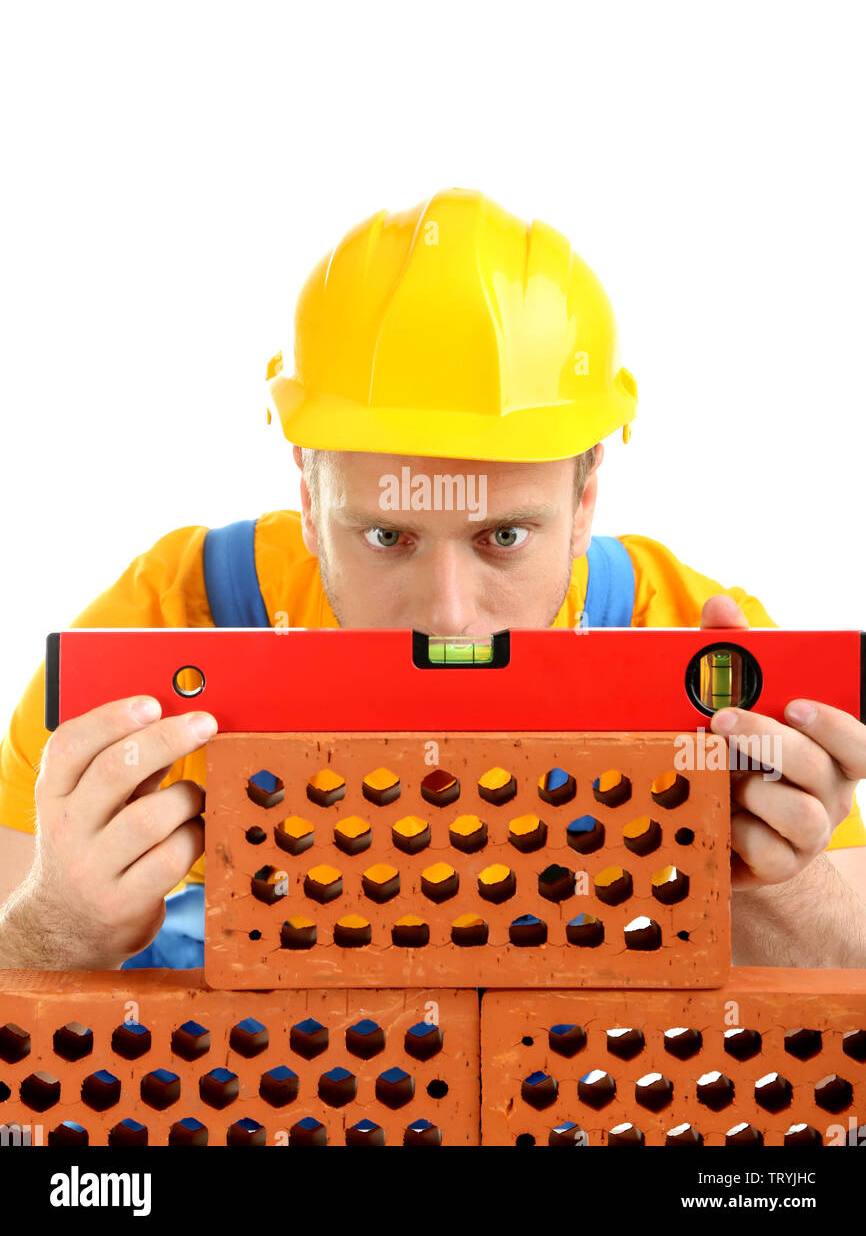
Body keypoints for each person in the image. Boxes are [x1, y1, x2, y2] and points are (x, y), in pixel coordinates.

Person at [1, 187, 864, 972]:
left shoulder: (703, 652)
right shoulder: (156, 636)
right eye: (387, 534)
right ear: (309, 493)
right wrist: (55, 931)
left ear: (586, 499)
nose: (449, 615)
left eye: (503, 537)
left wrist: (777, 884)